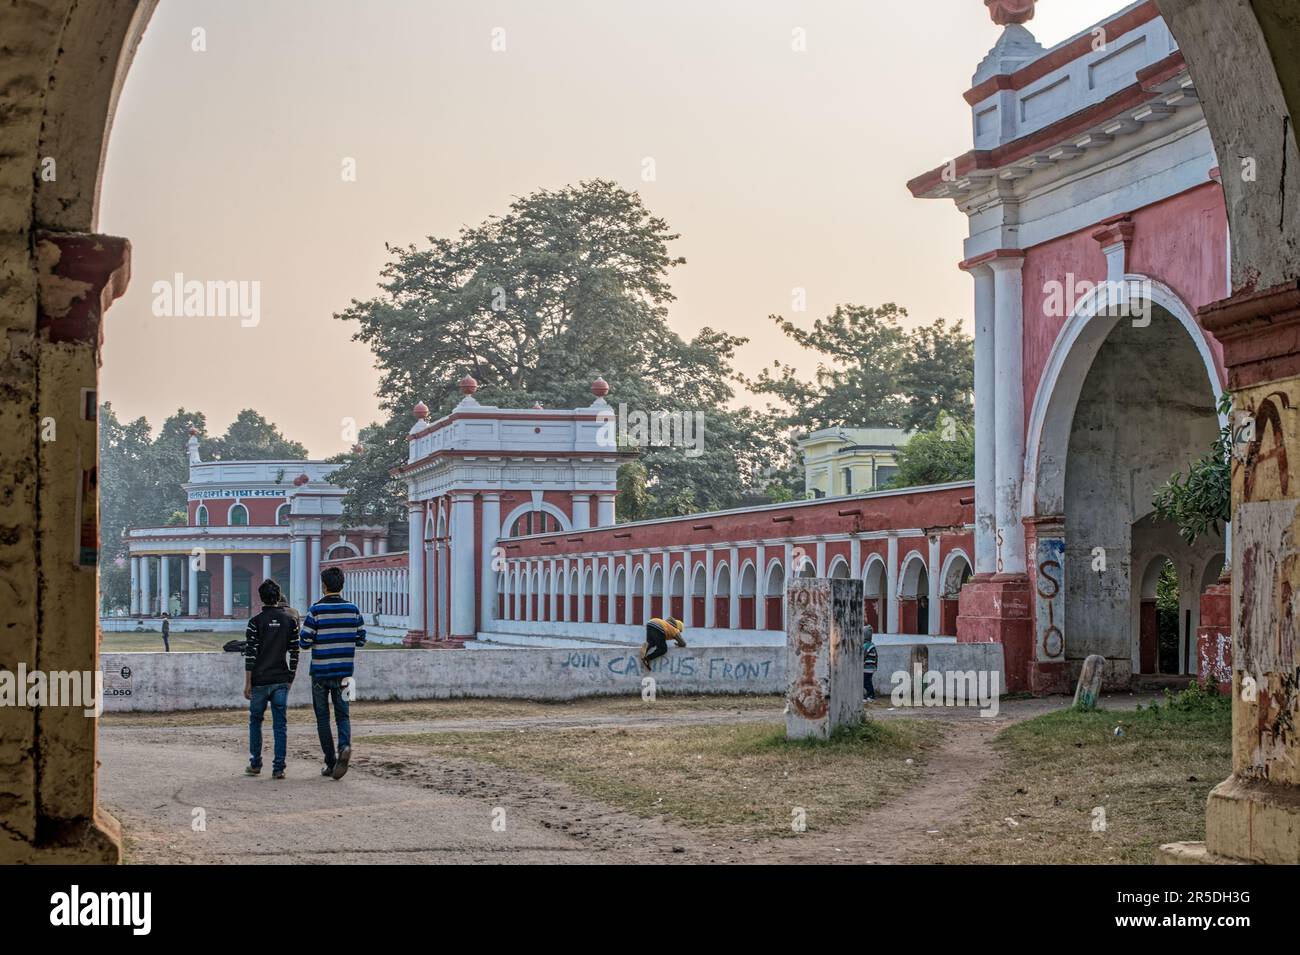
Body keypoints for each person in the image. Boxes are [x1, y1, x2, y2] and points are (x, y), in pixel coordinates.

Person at [299, 566, 366, 780]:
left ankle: (330, 761)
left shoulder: (316, 610)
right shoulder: (353, 609)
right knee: (343, 715)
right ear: (342, 585)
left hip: (320, 673)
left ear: (324, 585)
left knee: (322, 718)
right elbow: (361, 639)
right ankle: (344, 746)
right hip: (346, 673)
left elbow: (304, 642)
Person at [243, 579, 299, 779]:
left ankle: (256, 763)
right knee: (280, 725)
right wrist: (290, 677)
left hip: (259, 680)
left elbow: (251, 656)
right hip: (280, 680)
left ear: (261, 598)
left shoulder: (255, 622)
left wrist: (248, 683)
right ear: (278, 597)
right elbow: (294, 653)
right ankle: (278, 768)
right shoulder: (290, 621)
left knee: (256, 722)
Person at [863, 624, 878, 703]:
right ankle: (869, 694)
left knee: (865, 682)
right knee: (867, 681)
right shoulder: (871, 645)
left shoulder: (866, 646)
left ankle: (871, 695)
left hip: (867, 668)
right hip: (870, 667)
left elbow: (862, 655)